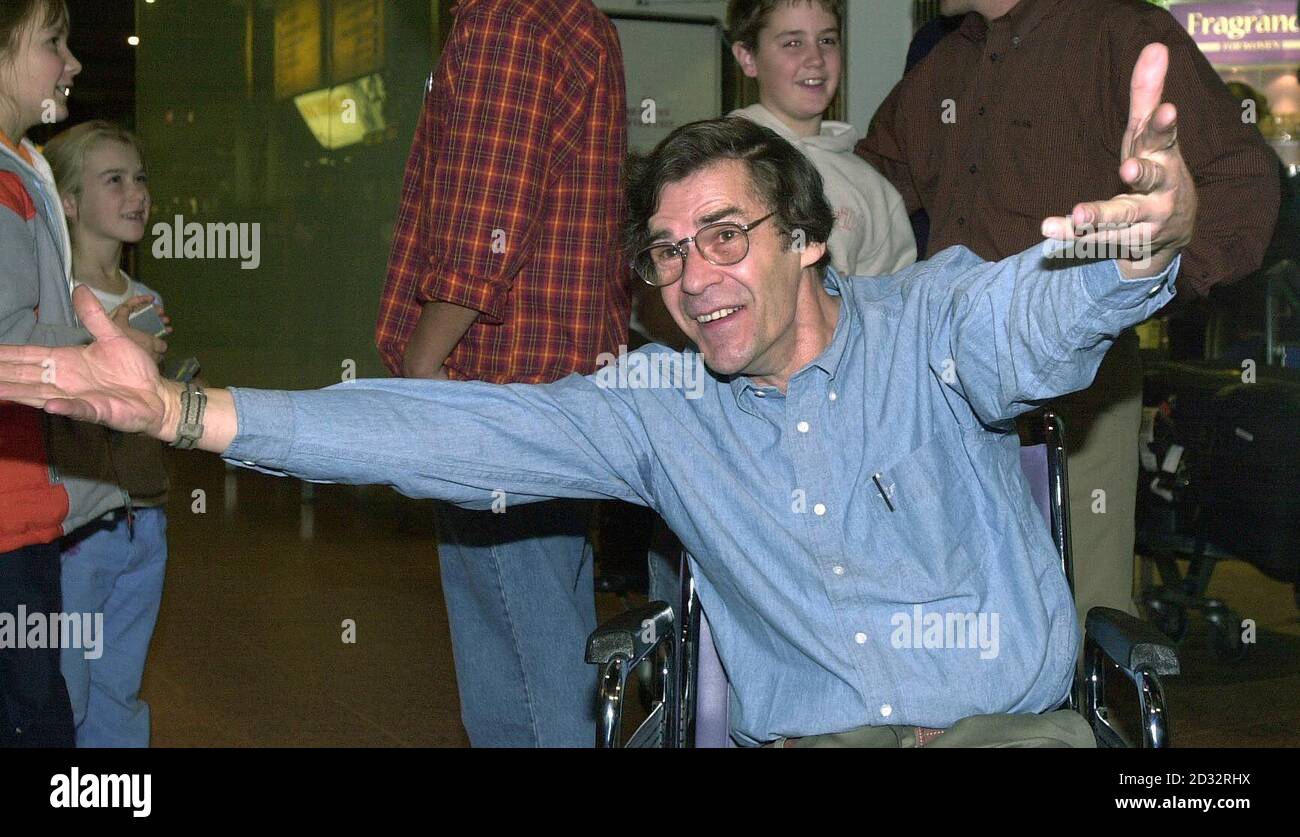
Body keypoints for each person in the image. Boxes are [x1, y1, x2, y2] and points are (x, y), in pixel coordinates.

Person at [0, 43, 1195, 747]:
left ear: (810, 241)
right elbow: (445, 429)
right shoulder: (657, 410)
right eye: (668, 253)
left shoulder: (930, 324)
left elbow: (1037, 309)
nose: (694, 277)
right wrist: (183, 415)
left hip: (1008, 739)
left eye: (724, 235)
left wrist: (1140, 242)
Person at [855, 0, 1280, 624]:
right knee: (953, 609)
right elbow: (872, 183)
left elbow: (1243, 181)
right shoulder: (944, 61)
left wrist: (1152, 265)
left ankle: (1092, 722)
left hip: (1082, 382)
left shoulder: (1120, 30)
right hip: (942, 385)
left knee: (1083, 612)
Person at [372, 0, 629, 747]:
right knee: (545, 640)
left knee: (523, 662)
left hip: (494, 383)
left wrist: (425, 361)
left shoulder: (506, 20)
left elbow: (488, 223)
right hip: (552, 385)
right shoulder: (569, 17)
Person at [0, 0, 161, 747]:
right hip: (17, 519)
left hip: (40, 509)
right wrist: (100, 353)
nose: (73, 63)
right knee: (40, 715)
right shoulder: (7, 185)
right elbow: (9, 338)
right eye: (53, 42)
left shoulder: (21, 168)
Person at [44, 120, 170, 747]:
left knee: (119, 683)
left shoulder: (146, 297)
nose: (136, 193)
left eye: (140, 178)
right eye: (113, 180)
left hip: (142, 522)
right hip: (77, 532)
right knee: (62, 685)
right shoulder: (55, 303)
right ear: (68, 201)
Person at [726, 0, 915, 277]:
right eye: (793, 43)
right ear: (748, 58)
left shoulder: (872, 188)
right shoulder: (717, 158)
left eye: (827, 40)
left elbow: (890, 303)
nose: (815, 59)